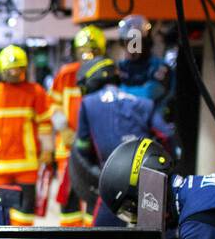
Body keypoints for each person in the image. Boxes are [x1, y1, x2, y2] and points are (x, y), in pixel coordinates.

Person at [69, 57, 170, 228]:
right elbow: (166, 135)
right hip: (149, 178)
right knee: (156, 237)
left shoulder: (88, 103)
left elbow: (82, 148)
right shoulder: (143, 100)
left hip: (113, 181)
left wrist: (96, 172)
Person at [0, 44, 54, 226]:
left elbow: (44, 127)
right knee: (0, 214)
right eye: (10, 71)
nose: (14, 74)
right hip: (5, 166)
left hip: (23, 166)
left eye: (17, 70)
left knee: (23, 215)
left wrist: (48, 151)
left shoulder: (35, 92)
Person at [50, 25, 105, 226]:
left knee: (94, 192)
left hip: (95, 148)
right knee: (69, 195)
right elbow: (53, 105)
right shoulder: (66, 75)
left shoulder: (105, 73)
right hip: (67, 148)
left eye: (92, 50)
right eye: (83, 50)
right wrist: (63, 128)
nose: (87, 54)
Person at [116, 15, 173, 107]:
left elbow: (149, 94)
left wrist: (121, 92)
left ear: (146, 43)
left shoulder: (159, 66)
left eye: (136, 42)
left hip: (150, 119)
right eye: (128, 42)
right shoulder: (120, 66)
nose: (132, 47)